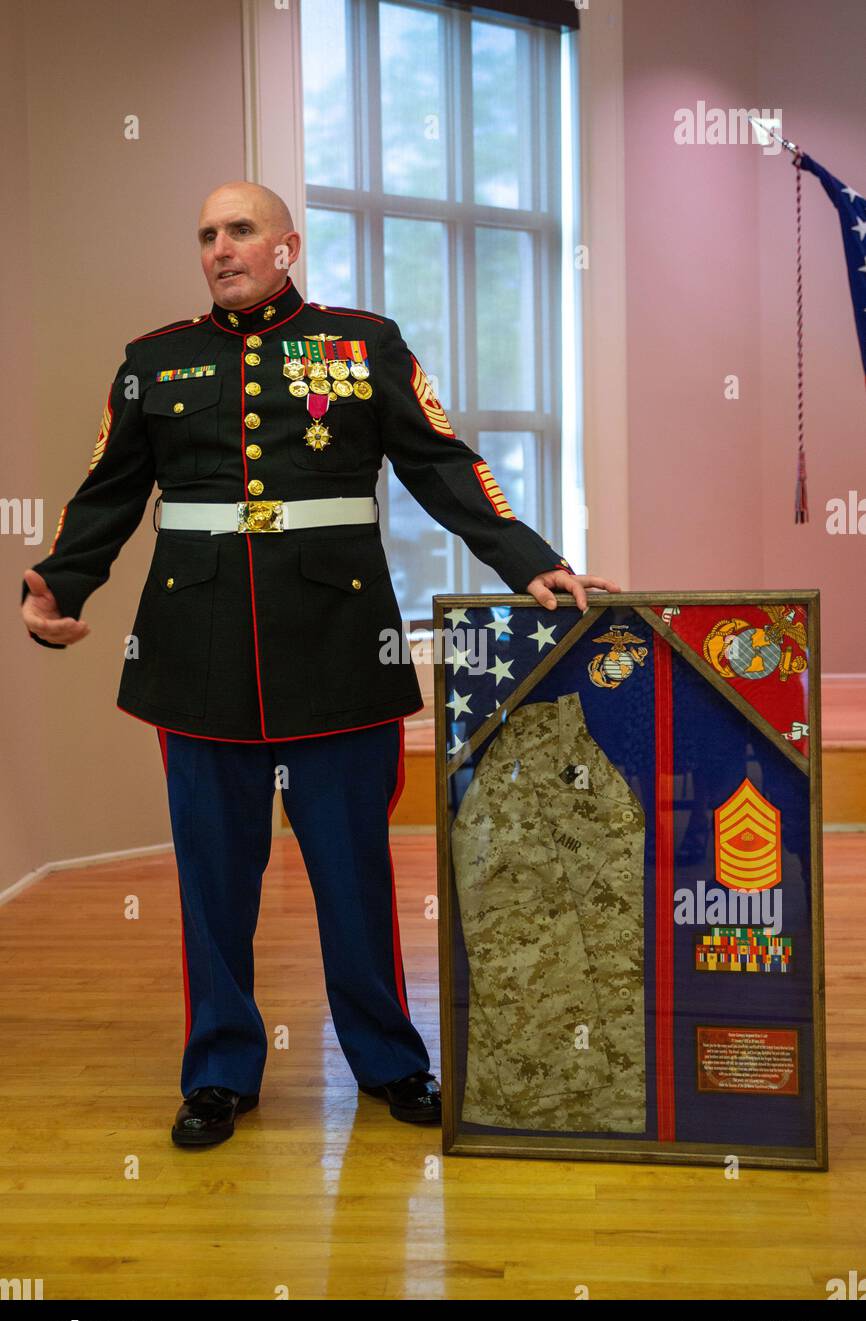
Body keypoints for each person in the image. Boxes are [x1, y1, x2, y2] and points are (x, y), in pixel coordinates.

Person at [20, 180, 621, 1146]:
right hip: (199, 657)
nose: (221, 248)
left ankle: (388, 1058)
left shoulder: (362, 343)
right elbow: (108, 490)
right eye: (207, 234)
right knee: (214, 882)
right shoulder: (153, 362)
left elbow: (438, 461)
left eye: (241, 230)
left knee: (354, 876)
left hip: (341, 649)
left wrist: (529, 560)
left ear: (286, 246)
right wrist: (60, 584)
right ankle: (219, 1072)